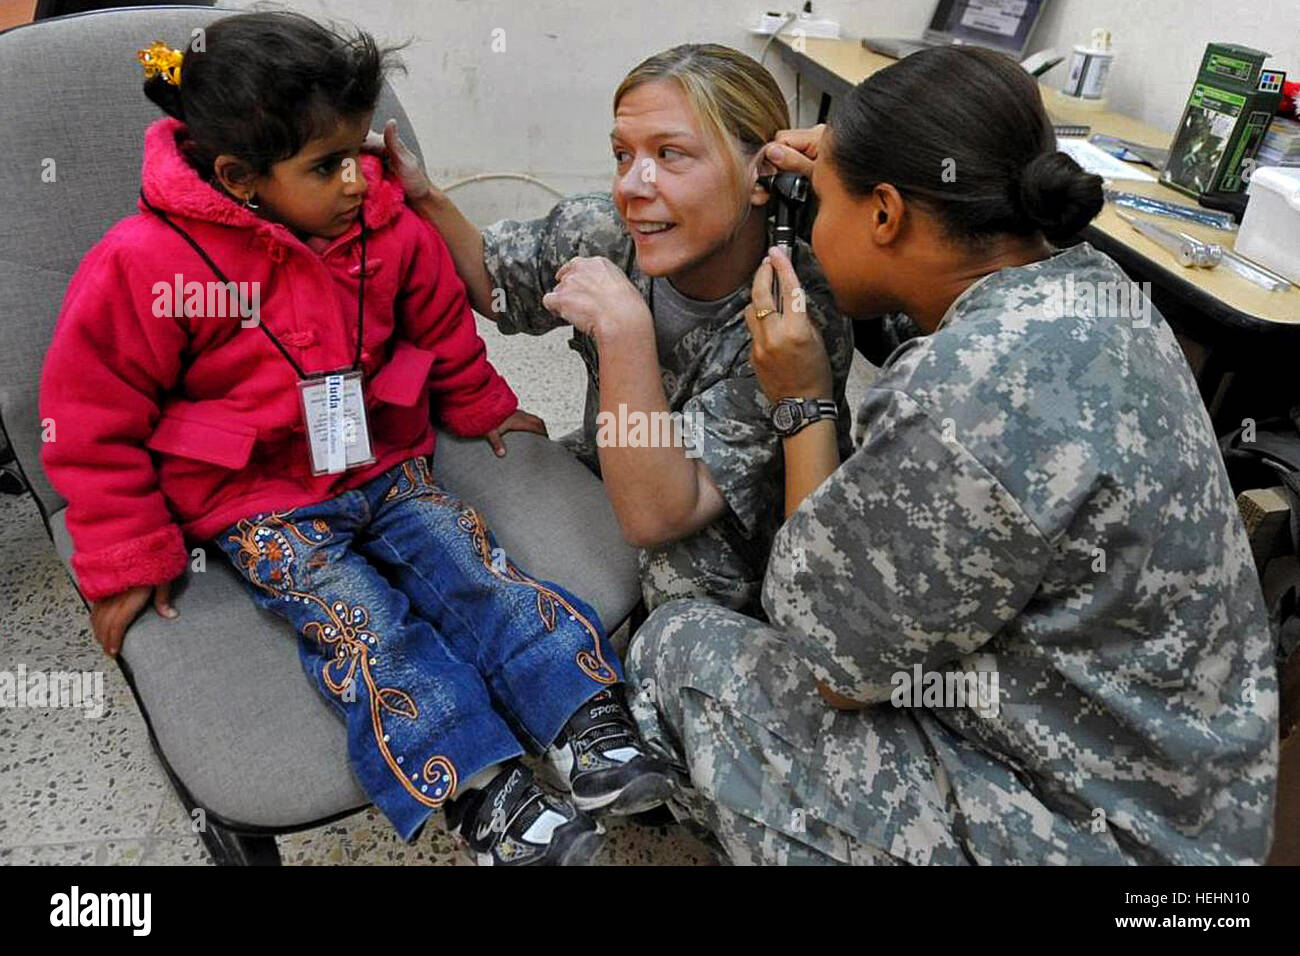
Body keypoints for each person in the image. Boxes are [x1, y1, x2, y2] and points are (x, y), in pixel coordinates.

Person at [38, 11, 672, 866]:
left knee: (475, 565)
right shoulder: (145, 266)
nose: (355, 178)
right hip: (257, 501)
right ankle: (478, 786)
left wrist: (482, 403)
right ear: (239, 177)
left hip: (385, 459)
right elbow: (91, 418)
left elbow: (442, 327)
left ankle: (581, 716)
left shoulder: (382, 225)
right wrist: (128, 554)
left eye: (357, 151)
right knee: (367, 625)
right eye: (326, 164)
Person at [626, 45, 1279, 865]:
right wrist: (862, 156)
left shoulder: (958, 396)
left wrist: (802, 404)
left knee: (675, 646)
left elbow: (831, 666)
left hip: (1092, 842)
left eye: (825, 201)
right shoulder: (1097, 282)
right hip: (1195, 814)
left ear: (887, 213)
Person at [376, 43, 856, 616]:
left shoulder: (792, 313)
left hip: (731, 535)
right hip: (624, 464)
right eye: (623, 154)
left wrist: (624, 330)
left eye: (671, 154)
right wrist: (424, 195)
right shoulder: (604, 229)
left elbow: (657, 514)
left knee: (676, 593)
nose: (632, 185)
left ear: (763, 175)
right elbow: (490, 276)